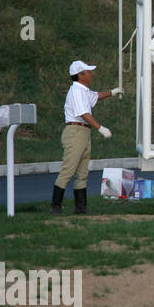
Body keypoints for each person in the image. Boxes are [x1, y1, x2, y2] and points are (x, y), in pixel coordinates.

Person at [53, 61, 121, 215]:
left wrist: (112, 92)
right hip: (75, 131)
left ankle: (81, 207)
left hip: (83, 132)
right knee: (68, 170)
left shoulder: (84, 90)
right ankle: (56, 206)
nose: (91, 74)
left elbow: (96, 96)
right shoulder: (76, 91)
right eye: (87, 71)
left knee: (83, 171)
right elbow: (84, 113)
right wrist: (100, 128)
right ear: (80, 75)